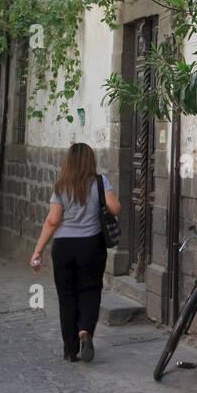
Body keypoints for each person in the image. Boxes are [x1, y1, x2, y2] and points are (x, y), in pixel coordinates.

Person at [30, 143, 122, 363]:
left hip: (64, 246)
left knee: (67, 296)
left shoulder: (61, 186)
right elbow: (115, 208)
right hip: (91, 245)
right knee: (90, 290)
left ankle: (70, 350)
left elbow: (52, 221)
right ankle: (85, 330)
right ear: (91, 160)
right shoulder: (100, 182)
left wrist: (37, 251)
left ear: (69, 162)